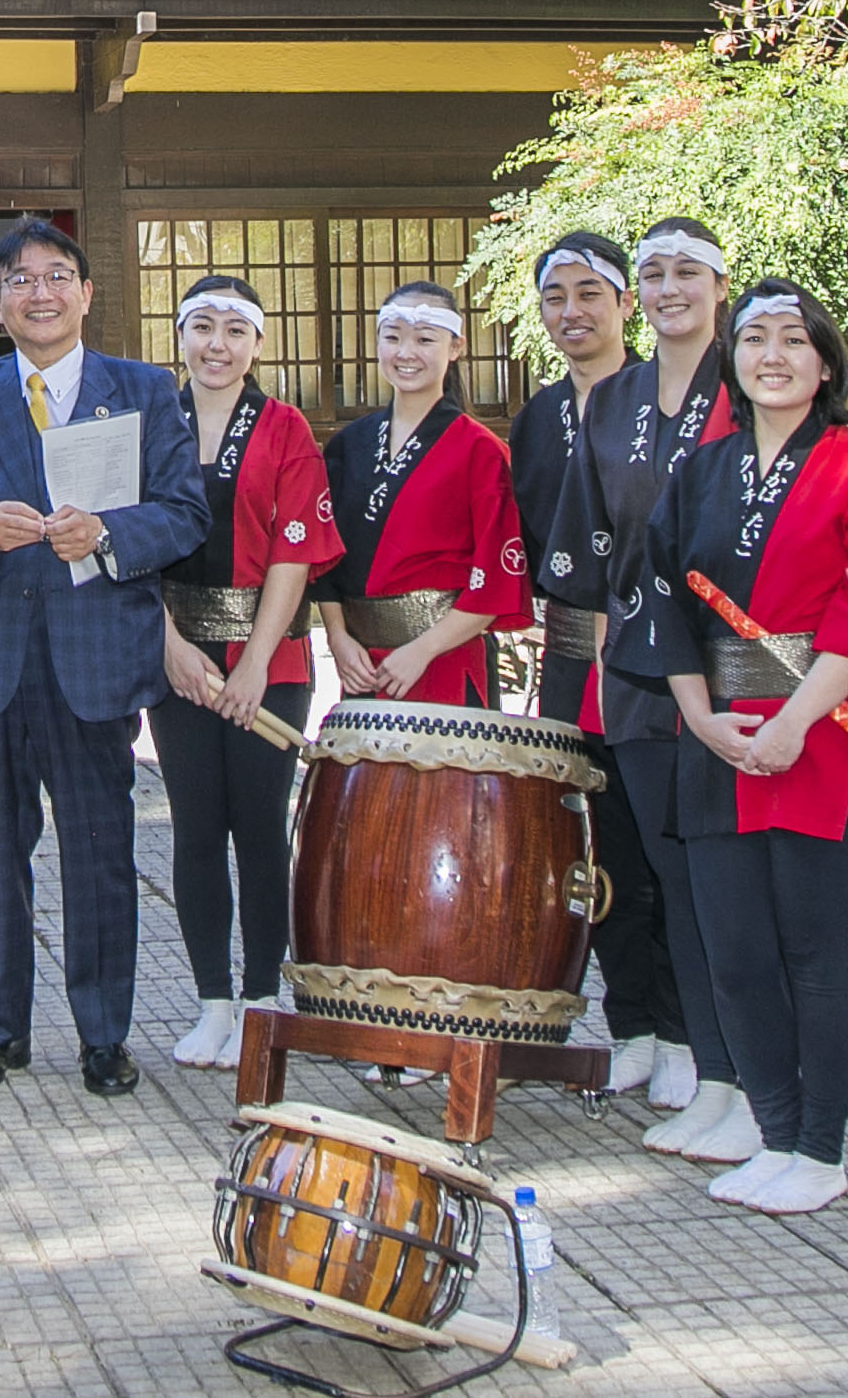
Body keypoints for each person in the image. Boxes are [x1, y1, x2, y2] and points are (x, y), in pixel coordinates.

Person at [619, 279, 848, 1218]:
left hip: (819, 737)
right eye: (755, 339)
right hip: (715, 738)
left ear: (825, 361)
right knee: (735, 950)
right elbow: (660, 597)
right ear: (732, 360)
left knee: (811, 951)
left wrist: (795, 720)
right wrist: (701, 717)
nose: (773, 355)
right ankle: (776, 1128)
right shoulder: (701, 470)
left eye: (794, 339)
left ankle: (823, 1148)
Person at [0, 219, 205, 1098]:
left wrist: (110, 531)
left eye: (58, 275)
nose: (41, 292)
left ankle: (105, 1033)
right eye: (21, 280)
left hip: (95, 658)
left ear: (85, 293)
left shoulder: (144, 390)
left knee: (99, 849)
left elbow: (186, 514)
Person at [579, 218, 747, 1159]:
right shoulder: (614, 399)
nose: (669, 286)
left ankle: (749, 1074)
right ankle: (710, 1070)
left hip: (742, 668)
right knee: (671, 874)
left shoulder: (756, 376)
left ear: (722, 285)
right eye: (653, 272)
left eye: (689, 271)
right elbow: (601, 545)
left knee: (732, 885)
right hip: (643, 667)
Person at [148, 272, 335, 1074]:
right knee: (195, 827)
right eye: (202, 327)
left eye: (234, 329)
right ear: (180, 337)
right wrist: (169, 648)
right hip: (177, 662)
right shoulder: (153, 419)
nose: (216, 344)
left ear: (258, 343)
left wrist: (256, 662)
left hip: (271, 661)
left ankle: (262, 998)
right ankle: (211, 1000)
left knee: (260, 828)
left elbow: (296, 547)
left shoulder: (287, 427)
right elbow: (127, 540)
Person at [509, 231, 679, 1096]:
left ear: (624, 305)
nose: (570, 312)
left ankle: (688, 1033)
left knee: (664, 846)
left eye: (588, 294)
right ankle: (634, 1020)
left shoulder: (666, 400)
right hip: (573, 657)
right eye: (554, 297)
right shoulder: (538, 417)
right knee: (599, 849)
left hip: (657, 655)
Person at [315, 286, 527, 710]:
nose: (406, 352)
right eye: (392, 337)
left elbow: (496, 578)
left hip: (445, 659)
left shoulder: (480, 449)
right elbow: (325, 558)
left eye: (425, 339)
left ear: (456, 348)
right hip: (362, 665)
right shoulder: (347, 445)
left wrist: (423, 650)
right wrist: (338, 638)